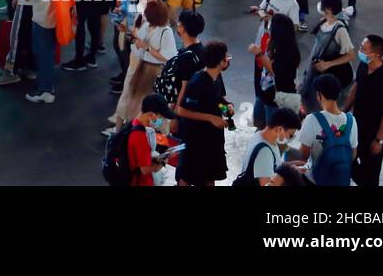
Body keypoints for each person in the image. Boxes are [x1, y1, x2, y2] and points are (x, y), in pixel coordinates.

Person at [110, 0, 176, 130]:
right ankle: (129, 129)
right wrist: (128, 31)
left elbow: (167, 57)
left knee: (148, 104)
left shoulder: (166, 32)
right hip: (141, 67)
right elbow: (138, 40)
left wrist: (147, 48)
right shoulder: (147, 26)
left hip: (154, 72)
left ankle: (150, 132)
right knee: (131, 100)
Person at [20, 0, 70, 104]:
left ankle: (45, 90)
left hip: (42, 16)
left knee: (43, 54)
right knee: (50, 53)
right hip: (60, 16)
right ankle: (48, 84)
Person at [175, 40, 231, 186]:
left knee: (208, 177)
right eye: (226, 57)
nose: (228, 59)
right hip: (196, 139)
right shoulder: (198, 82)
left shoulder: (217, 77)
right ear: (220, 62)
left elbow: (218, 98)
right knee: (187, 177)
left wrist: (227, 105)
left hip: (212, 139)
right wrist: (211, 118)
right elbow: (182, 110)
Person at [344, 33, 383, 185]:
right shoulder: (363, 66)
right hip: (357, 125)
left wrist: (378, 140)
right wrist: (344, 110)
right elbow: (356, 87)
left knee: (371, 172)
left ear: (375, 54)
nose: (359, 50)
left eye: (363, 48)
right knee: (348, 160)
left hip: (374, 131)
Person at [297, 73, 357, 186]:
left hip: (316, 179)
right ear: (338, 94)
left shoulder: (312, 119)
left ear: (319, 95)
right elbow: (353, 155)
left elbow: (304, 154)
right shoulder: (351, 121)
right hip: (342, 180)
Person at [304, 0, 355, 109]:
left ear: (329, 9)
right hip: (318, 70)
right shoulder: (324, 21)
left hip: (333, 74)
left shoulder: (340, 30)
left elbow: (351, 55)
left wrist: (328, 64)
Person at [120, 93, 179, 186]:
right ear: (151, 114)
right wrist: (165, 160)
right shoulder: (140, 136)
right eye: (161, 117)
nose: (161, 120)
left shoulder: (134, 124)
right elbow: (145, 169)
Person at [236, 108, 301, 186]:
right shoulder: (264, 153)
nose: (290, 138)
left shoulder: (261, 136)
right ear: (279, 129)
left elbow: (273, 164)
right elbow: (267, 184)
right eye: (290, 135)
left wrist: (292, 167)